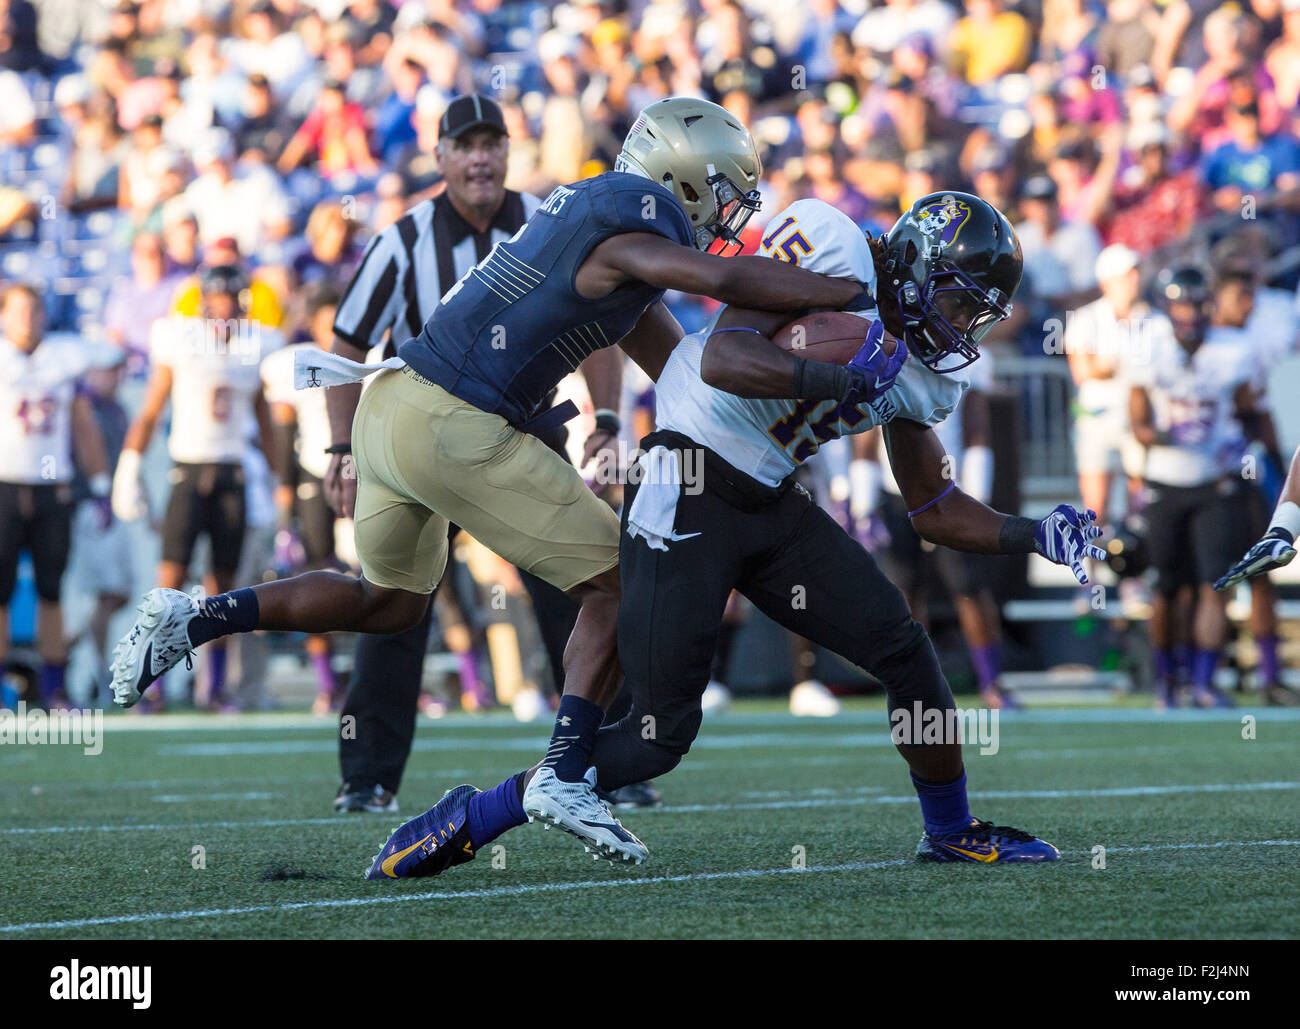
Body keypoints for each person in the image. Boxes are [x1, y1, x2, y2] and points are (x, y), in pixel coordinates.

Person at [110, 97, 884, 867]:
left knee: (386, 601)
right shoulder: (634, 214)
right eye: (721, 188)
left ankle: (193, 617)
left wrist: (782, 414)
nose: (728, 208)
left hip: (395, 408)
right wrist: (852, 296)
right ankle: (563, 772)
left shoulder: (602, 213)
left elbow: (684, 372)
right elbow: (718, 275)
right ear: (680, 176)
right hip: (454, 421)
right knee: (620, 583)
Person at [384, 194, 1106, 878]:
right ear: (919, 265)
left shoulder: (925, 375)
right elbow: (723, 356)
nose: (959, 328)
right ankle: (482, 811)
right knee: (659, 734)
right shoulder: (836, 249)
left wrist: (1032, 532)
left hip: (767, 493)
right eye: (954, 302)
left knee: (904, 648)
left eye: (974, 316)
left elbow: (933, 506)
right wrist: (838, 379)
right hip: (688, 473)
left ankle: (951, 829)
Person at [112, 264, 278, 710]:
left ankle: (214, 688)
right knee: (168, 586)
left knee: (223, 592)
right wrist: (129, 463)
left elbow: (265, 421)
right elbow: (150, 410)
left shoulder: (253, 348)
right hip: (187, 473)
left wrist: (278, 481)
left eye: (231, 297)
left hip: (232, 475)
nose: (224, 306)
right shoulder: (181, 341)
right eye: (217, 297)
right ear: (204, 301)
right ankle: (152, 686)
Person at [1129, 264, 1264, 709]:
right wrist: (1165, 436)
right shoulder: (1149, 348)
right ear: (1168, 307)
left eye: (1197, 302)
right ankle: (1167, 681)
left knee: (1215, 583)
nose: (1190, 312)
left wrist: (1236, 446)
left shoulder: (1234, 350)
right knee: (1166, 588)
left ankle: (1204, 681)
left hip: (1213, 482)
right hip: (1165, 481)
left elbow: (1250, 414)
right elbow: (1139, 422)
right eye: (1182, 303)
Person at [0, 284, 113, 710]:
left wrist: (101, 483)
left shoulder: (64, 359)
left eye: (34, 310)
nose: (27, 318)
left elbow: (83, 425)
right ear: (5, 315)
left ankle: (54, 690)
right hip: (5, 486)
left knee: (52, 590)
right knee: (0, 592)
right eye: (19, 310)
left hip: (52, 490)